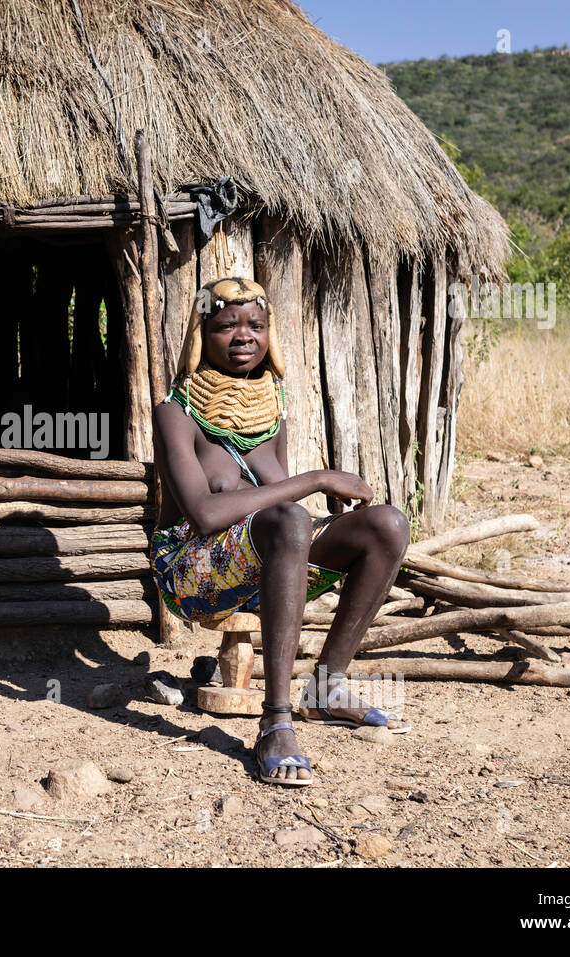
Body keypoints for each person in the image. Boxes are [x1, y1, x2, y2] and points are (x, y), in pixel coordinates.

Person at [151, 277, 410, 787]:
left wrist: (333, 510)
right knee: (291, 514)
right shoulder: (175, 413)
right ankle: (275, 719)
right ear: (202, 334)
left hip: (258, 561)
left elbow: (275, 513)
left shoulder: (273, 416)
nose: (244, 336)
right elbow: (204, 514)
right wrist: (314, 479)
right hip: (190, 572)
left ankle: (328, 687)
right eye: (226, 325)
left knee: (385, 524)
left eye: (257, 325)